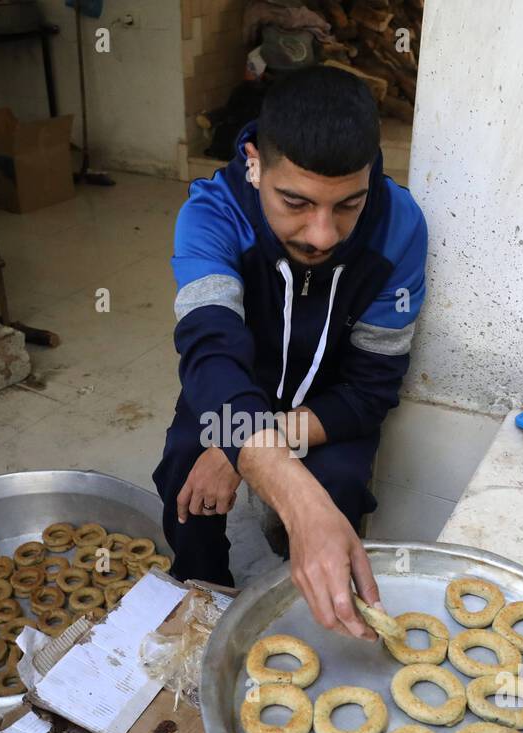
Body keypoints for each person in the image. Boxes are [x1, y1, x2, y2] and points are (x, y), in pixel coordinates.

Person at [153, 66, 428, 641]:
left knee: (338, 494)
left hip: (330, 404)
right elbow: (210, 354)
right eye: (295, 202)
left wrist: (259, 456)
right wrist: (245, 449)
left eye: (348, 205)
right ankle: (205, 610)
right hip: (235, 391)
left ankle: (314, 622)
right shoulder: (211, 214)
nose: (322, 235)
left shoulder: (399, 228)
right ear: (254, 163)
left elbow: (370, 391)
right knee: (186, 475)